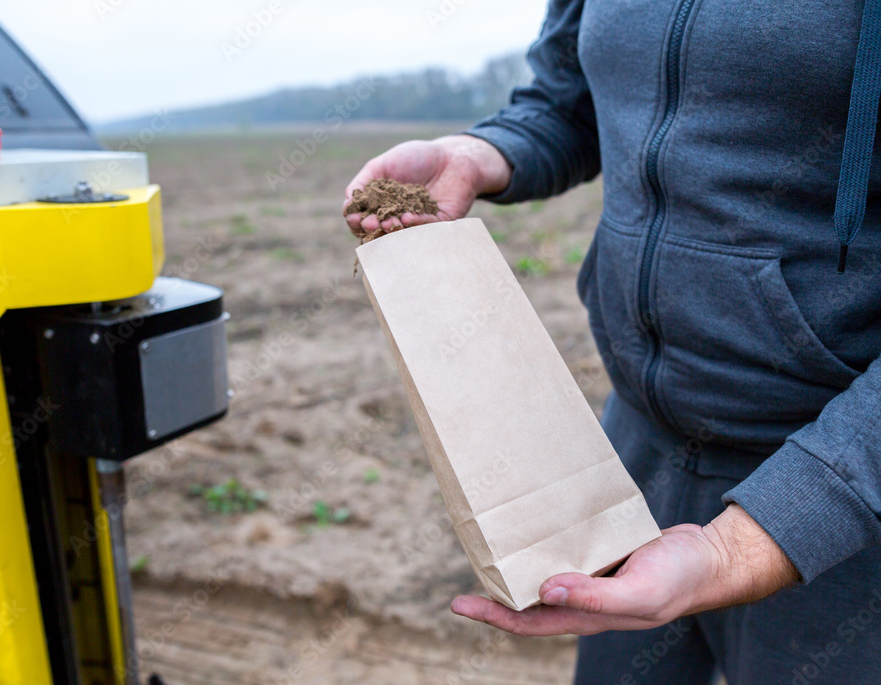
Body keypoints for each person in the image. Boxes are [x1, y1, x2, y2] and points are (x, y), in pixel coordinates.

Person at [344, 1, 881, 683]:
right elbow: (567, 100)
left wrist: (745, 547)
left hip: (837, 482)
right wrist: (481, 152)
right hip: (630, 455)